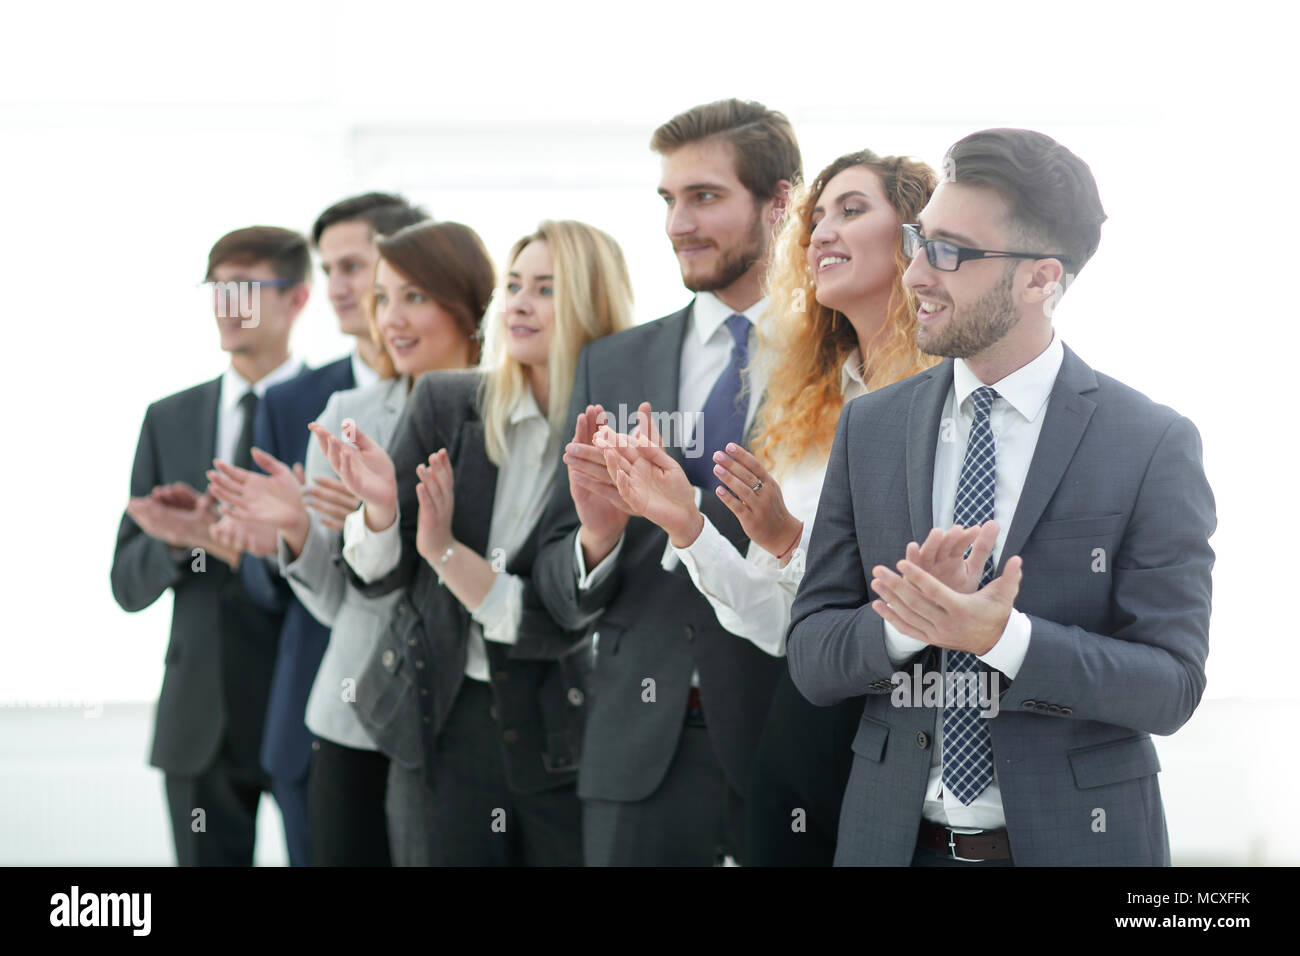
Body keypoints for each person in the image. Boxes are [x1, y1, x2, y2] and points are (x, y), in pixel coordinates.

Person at [786, 128, 1216, 866]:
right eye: (921, 240)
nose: (916, 272)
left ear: (1041, 279)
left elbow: (1171, 686)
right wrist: (901, 624)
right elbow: (812, 654)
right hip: (892, 845)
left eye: (951, 252)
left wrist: (1001, 638)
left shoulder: (1151, 441)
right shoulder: (871, 428)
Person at [599, 149, 939, 865]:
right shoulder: (803, 410)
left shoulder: (952, 398)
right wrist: (686, 525)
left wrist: (790, 537)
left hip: (908, 736)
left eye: (851, 211)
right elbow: (779, 623)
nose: (819, 233)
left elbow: (918, 592)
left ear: (915, 235)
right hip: (803, 733)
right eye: (815, 218)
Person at [531, 100, 801, 866]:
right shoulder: (611, 365)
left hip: (792, 738)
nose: (677, 222)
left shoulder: (843, 363)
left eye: (705, 196)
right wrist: (598, 536)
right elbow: (554, 580)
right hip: (636, 755)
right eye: (668, 200)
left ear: (780, 201)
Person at [314, 220, 634, 864]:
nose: (516, 302)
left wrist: (447, 555)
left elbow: (559, 616)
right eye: (513, 284)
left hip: (560, 728)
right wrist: (379, 511)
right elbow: (380, 576)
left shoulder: (617, 436)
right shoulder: (446, 401)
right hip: (437, 717)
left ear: (590, 304)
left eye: (545, 289)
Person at [208, 220, 487, 865]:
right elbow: (338, 605)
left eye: (414, 296)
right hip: (356, 717)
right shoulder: (345, 417)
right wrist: (301, 531)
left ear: (468, 303)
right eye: (383, 298)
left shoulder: (512, 417)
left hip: (473, 718)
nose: (392, 318)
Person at [110, 225, 311, 865]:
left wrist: (224, 538)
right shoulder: (168, 418)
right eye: (218, 289)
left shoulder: (336, 411)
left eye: (246, 289)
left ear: (298, 299)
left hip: (307, 707)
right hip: (200, 719)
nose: (228, 307)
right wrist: (177, 542)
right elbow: (125, 582)